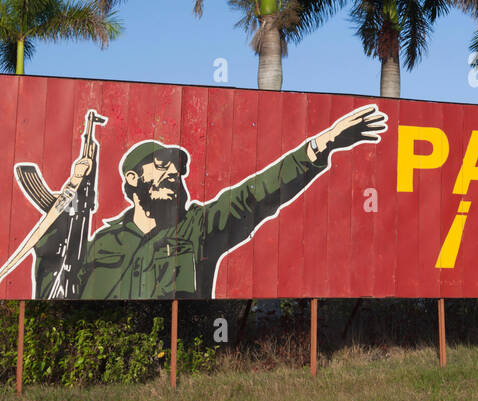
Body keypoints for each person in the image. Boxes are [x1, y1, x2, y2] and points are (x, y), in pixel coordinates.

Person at [27, 104, 386, 299]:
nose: (173, 173)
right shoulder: (100, 244)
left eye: (177, 169)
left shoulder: (198, 227)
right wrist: (65, 211)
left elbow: (254, 195)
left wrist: (318, 148)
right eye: (161, 164)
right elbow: (51, 292)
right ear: (132, 180)